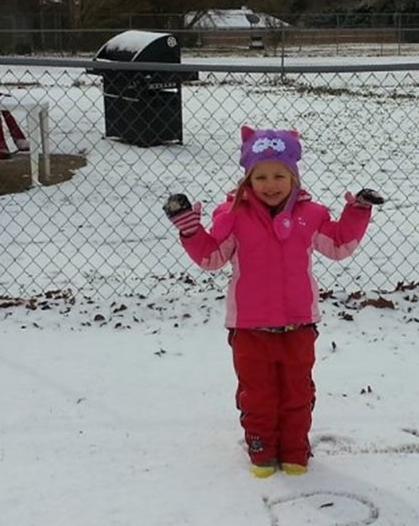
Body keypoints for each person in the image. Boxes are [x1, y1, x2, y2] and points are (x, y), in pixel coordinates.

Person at [164, 127, 386, 478]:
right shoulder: (233, 215)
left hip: (298, 323)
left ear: (293, 176)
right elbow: (211, 258)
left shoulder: (310, 215)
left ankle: (295, 449)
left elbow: (338, 245)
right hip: (250, 328)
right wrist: (190, 229)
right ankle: (261, 448)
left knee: (297, 390)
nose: (271, 184)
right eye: (261, 176)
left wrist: (357, 212)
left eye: (279, 175)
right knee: (258, 393)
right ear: (248, 178)